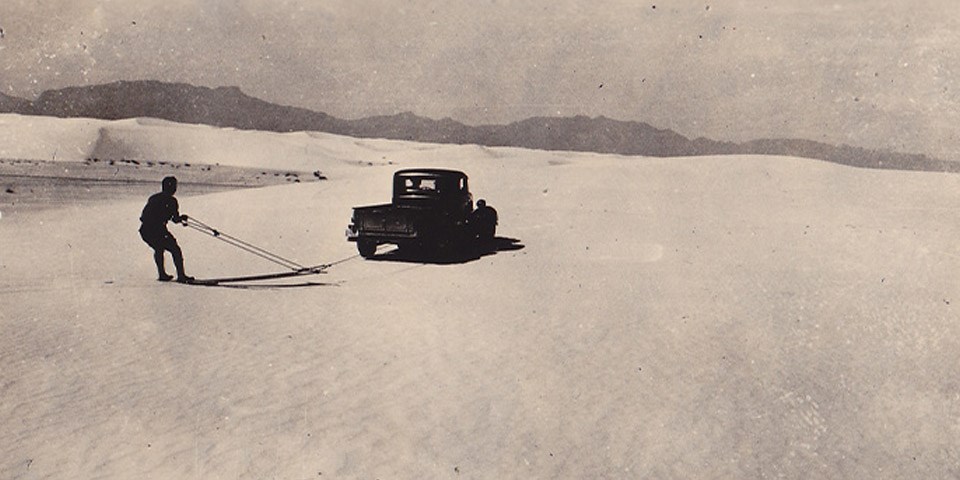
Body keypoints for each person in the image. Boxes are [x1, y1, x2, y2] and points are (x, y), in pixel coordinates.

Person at [139, 176, 193, 283]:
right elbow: (175, 219)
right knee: (175, 249)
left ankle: (162, 274)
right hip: (156, 229)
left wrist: (180, 218)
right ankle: (180, 276)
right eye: (174, 186)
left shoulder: (154, 198)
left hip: (145, 230)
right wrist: (181, 218)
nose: (175, 189)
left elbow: (144, 216)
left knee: (159, 248)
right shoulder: (172, 201)